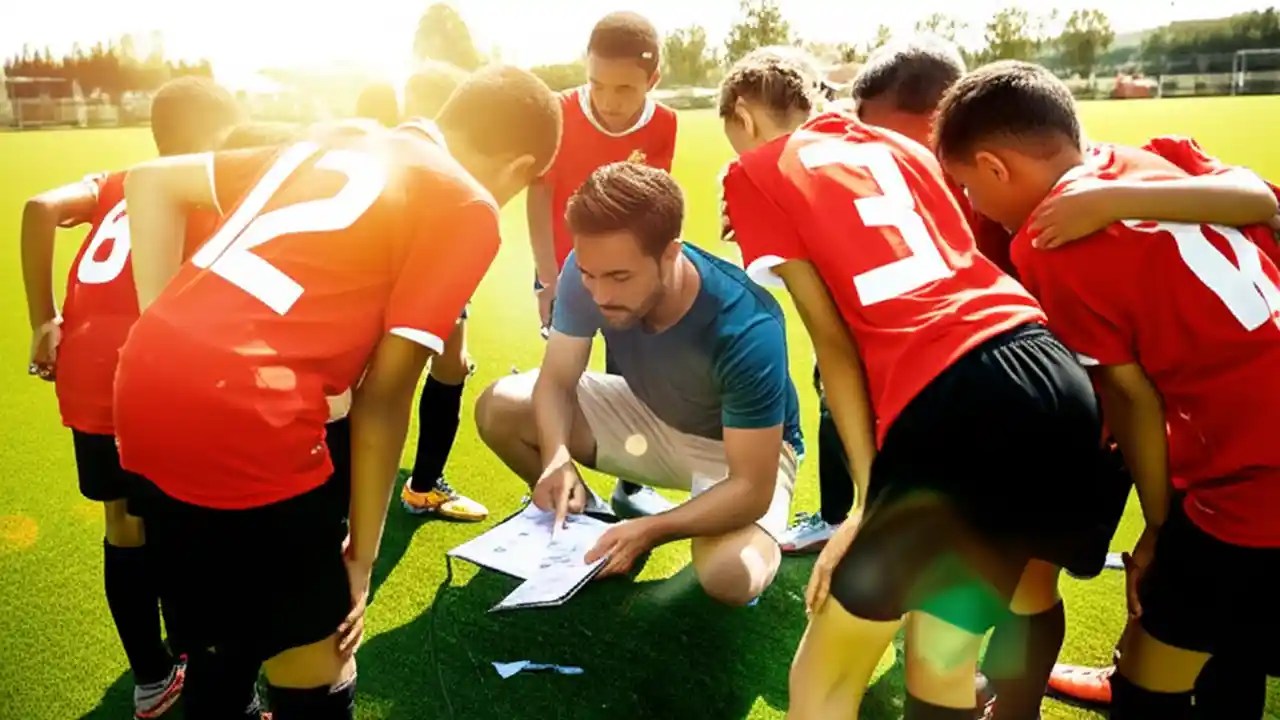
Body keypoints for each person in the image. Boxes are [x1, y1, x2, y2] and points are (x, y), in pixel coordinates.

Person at [840, 38, 1280, 718]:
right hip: (1212, 446)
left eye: (963, 181)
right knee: (1214, 631)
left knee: (1120, 645)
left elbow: (1129, 394)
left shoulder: (1044, 233)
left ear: (981, 158)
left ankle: (1017, 702)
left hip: (1208, 467)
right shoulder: (1138, 162)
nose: (965, 198)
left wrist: (1158, 526)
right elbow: (1259, 198)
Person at [115, 66, 562, 720]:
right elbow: (385, 396)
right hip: (252, 415)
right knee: (320, 666)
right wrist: (362, 559)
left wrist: (162, 330)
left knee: (217, 643)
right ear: (519, 165)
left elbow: (148, 182)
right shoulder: (466, 203)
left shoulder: (333, 137)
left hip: (145, 391)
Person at [719, 47, 1119, 720]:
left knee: (824, 680)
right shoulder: (890, 142)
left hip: (960, 403)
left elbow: (834, 346)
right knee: (942, 665)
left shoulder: (752, 172)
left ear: (741, 115)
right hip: (1049, 370)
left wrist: (865, 503)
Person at [475, 161, 803, 606]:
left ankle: (728, 536)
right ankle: (587, 519)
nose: (600, 294)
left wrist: (651, 531)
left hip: (737, 451)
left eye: (619, 277)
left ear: (671, 254)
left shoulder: (747, 325)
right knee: (500, 406)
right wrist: (555, 458)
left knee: (730, 578)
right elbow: (555, 382)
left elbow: (751, 486)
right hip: (648, 412)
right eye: (590, 274)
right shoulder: (587, 271)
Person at [19, 76, 242, 720]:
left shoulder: (118, 179)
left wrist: (44, 317)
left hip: (84, 366)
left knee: (125, 522)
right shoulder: (209, 185)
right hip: (149, 370)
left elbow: (38, 207)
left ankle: (151, 680)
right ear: (219, 136)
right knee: (184, 524)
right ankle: (204, 673)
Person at [526, 10, 678, 518]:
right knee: (563, 374)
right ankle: (557, 478)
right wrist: (546, 278)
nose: (609, 101)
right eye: (597, 84)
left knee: (632, 377)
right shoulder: (558, 111)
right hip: (560, 271)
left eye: (625, 89)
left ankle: (629, 487)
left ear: (653, 80)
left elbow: (651, 208)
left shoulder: (665, 124)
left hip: (624, 278)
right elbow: (538, 194)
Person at [397, 62, 490, 522]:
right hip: (425, 268)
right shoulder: (451, 163)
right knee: (444, 362)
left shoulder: (394, 144)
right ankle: (423, 486)